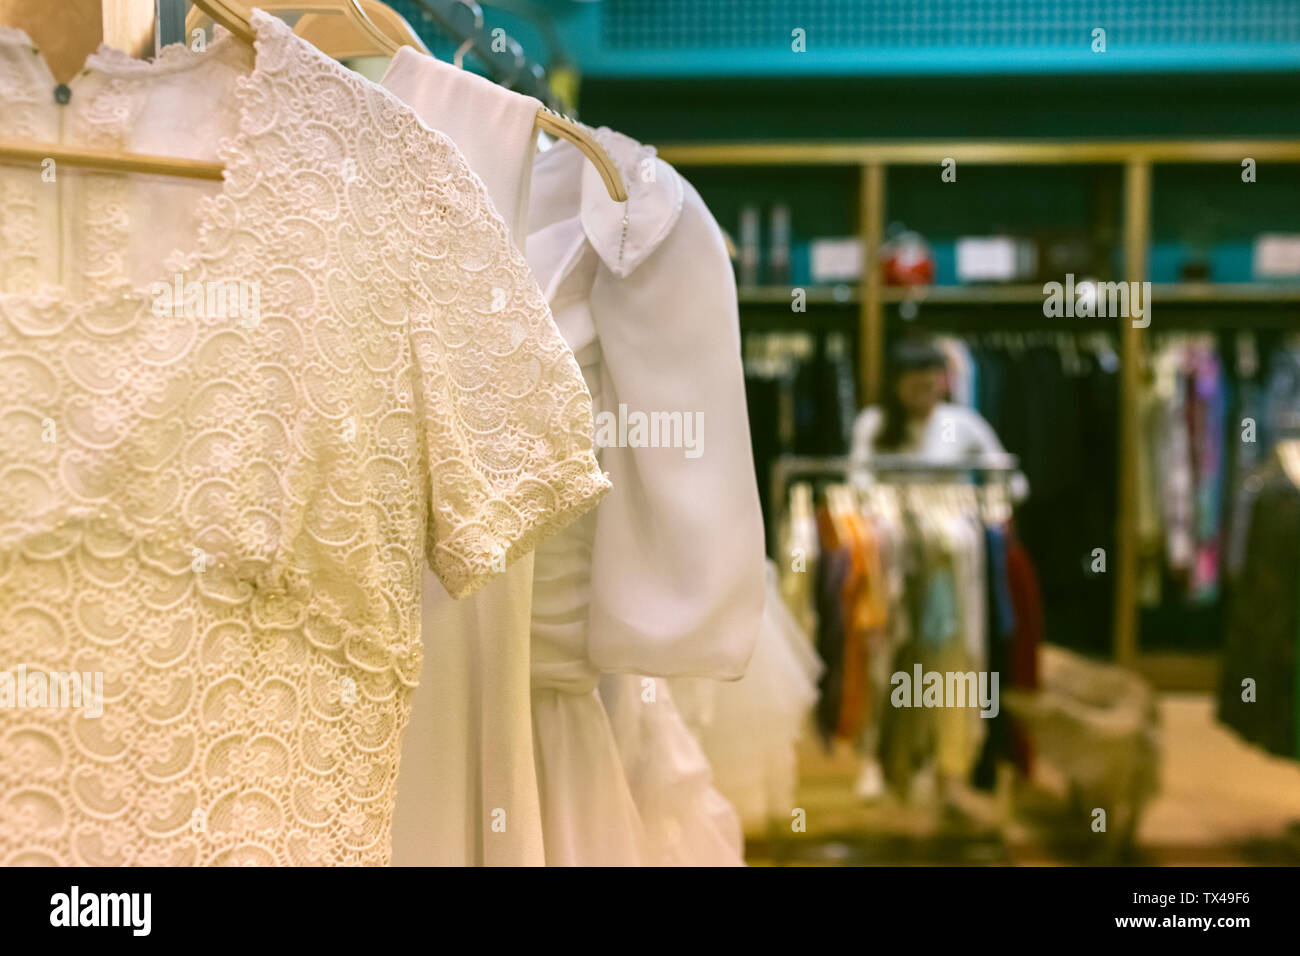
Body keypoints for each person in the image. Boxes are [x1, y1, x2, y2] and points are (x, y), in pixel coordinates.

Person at [850, 338, 1008, 465]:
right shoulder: (875, 422)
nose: (923, 396)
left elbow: (1010, 478)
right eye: (915, 388)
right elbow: (858, 477)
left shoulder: (952, 423)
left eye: (928, 387)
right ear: (895, 386)